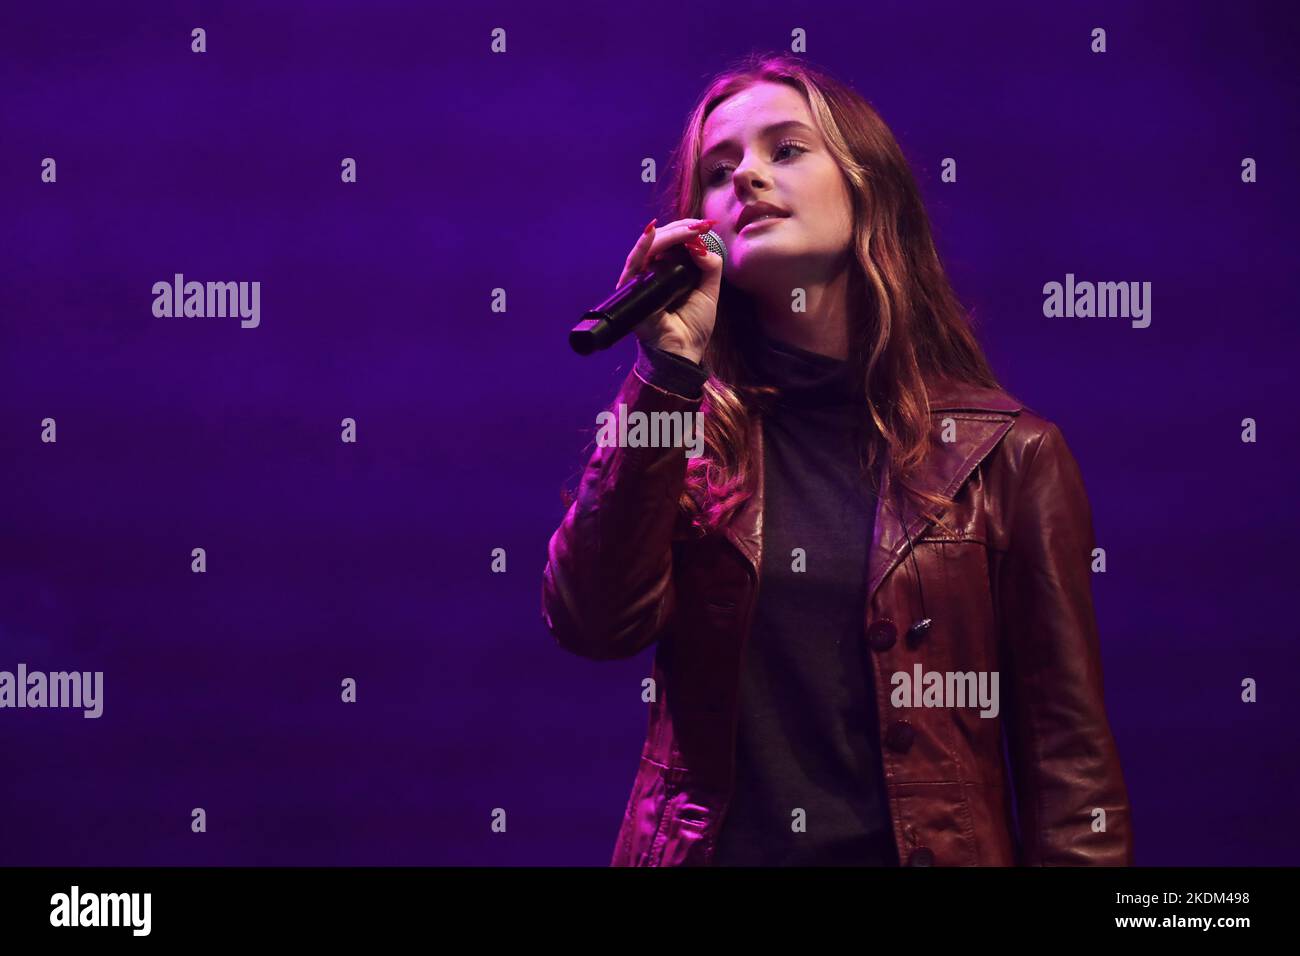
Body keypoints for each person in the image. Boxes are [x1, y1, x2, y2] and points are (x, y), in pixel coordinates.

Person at [541, 51, 1133, 867]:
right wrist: (665, 373)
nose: (747, 177)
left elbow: (1072, 768)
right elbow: (592, 622)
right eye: (720, 169)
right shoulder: (682, 439)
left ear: (868, 187)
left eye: (785, 150)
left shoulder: (1010, 458)